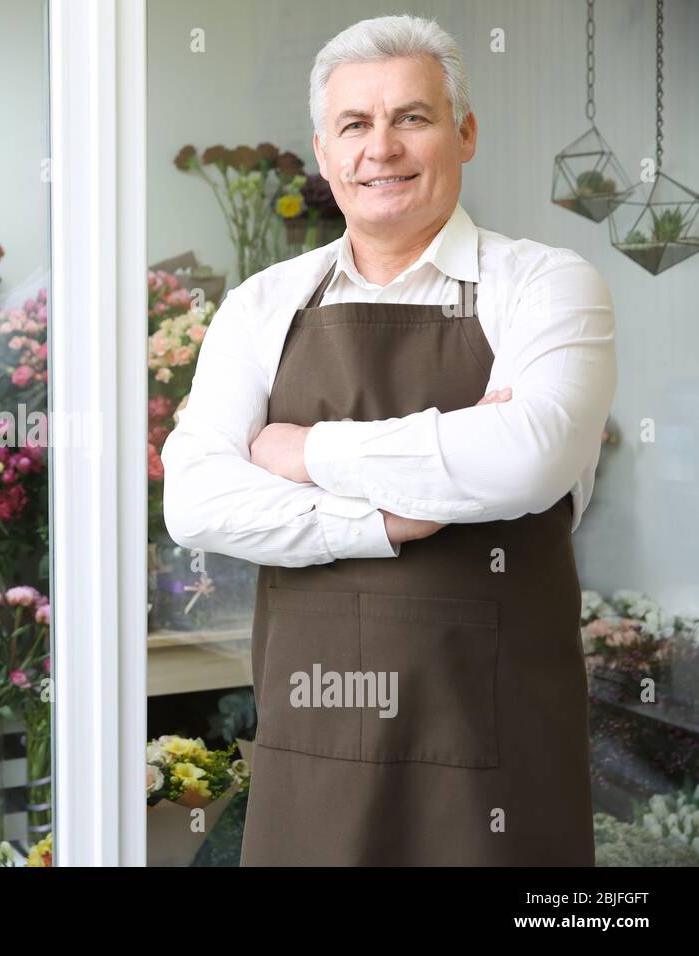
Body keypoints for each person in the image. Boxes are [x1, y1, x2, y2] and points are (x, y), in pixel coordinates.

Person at [161, 14, 617, 865]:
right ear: (325, 151)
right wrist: (380, 523)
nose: (383, 149)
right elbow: (193, 500)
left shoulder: (547, 285)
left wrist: (305, 454)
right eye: (355, 125)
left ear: (464, 133)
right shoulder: (263, 305)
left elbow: (526, 458)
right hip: (312, 750)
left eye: (413, 117)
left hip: (497, 756)